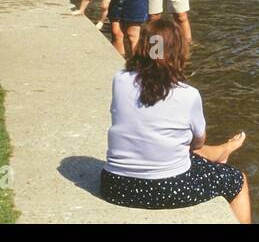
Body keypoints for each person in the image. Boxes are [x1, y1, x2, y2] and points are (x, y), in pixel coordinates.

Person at [100, 17, 250, 223]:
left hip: (115, 186)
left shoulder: (120, 80)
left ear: (143, 46)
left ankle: (221, 151)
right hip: (167, 188)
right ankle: (222, 151)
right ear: (178, 51)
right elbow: (196, 143)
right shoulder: (188, 95)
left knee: (175, 145)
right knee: (238, 180)